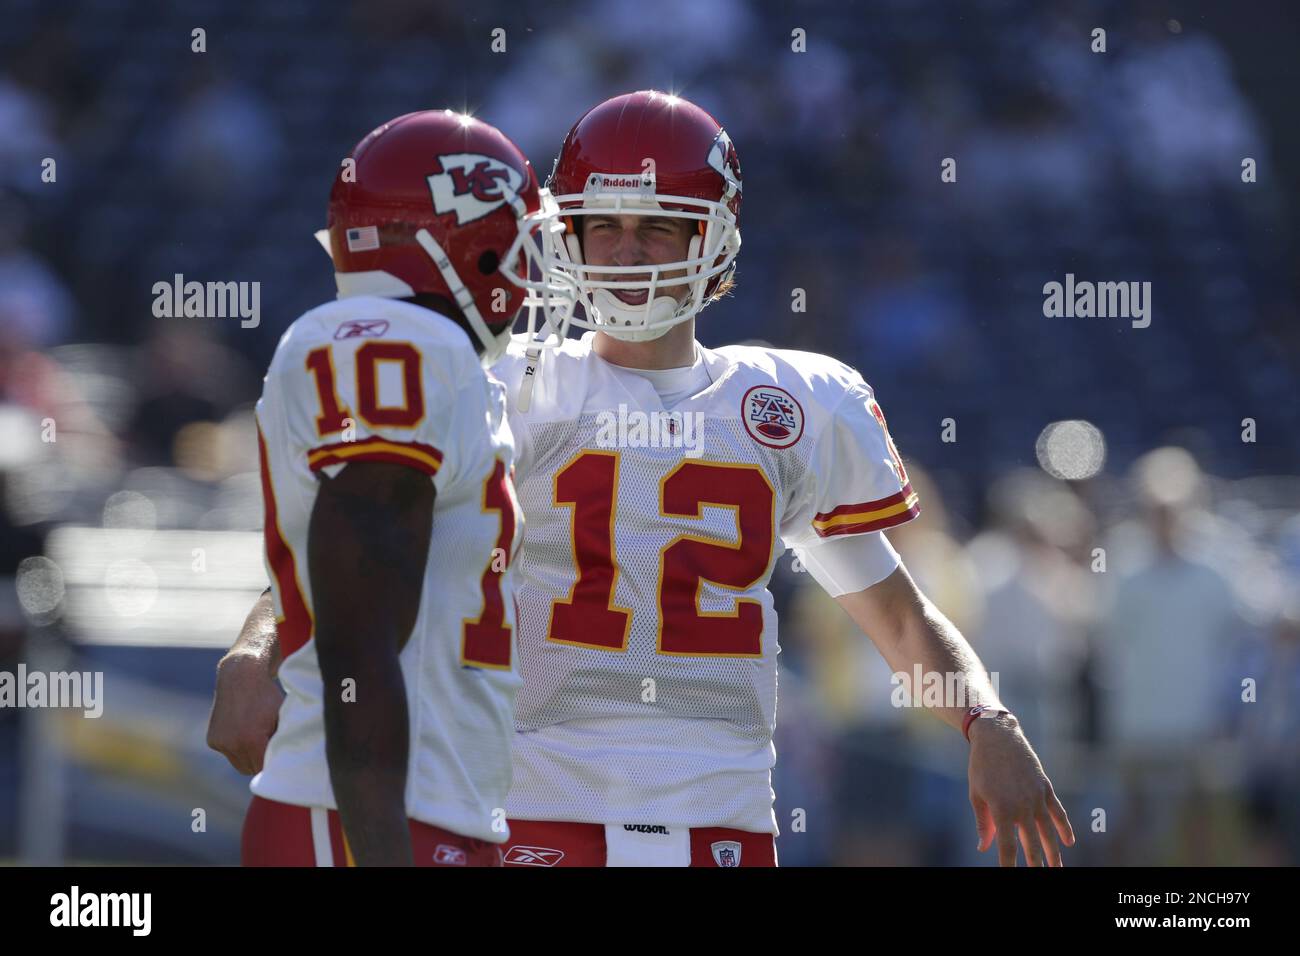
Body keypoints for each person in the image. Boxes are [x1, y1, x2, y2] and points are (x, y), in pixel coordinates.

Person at [213, 91, 1073, 867]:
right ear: (565, 236)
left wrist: (985, 720)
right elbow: (359, 544)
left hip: (723, 822)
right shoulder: (504, 381)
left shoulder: (793, 403)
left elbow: (895, 612)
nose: (627, 251)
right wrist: (259, 644)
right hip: (534, 813)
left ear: (714, 237)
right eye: (604, 225)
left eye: (657, 225)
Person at [229, 108, 574, 866]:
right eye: (516, 246)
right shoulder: (402, 344)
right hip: (371, 819)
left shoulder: (440, 361)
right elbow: (359, 639)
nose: (529, 273)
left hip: (418, 812)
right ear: (461, 244)